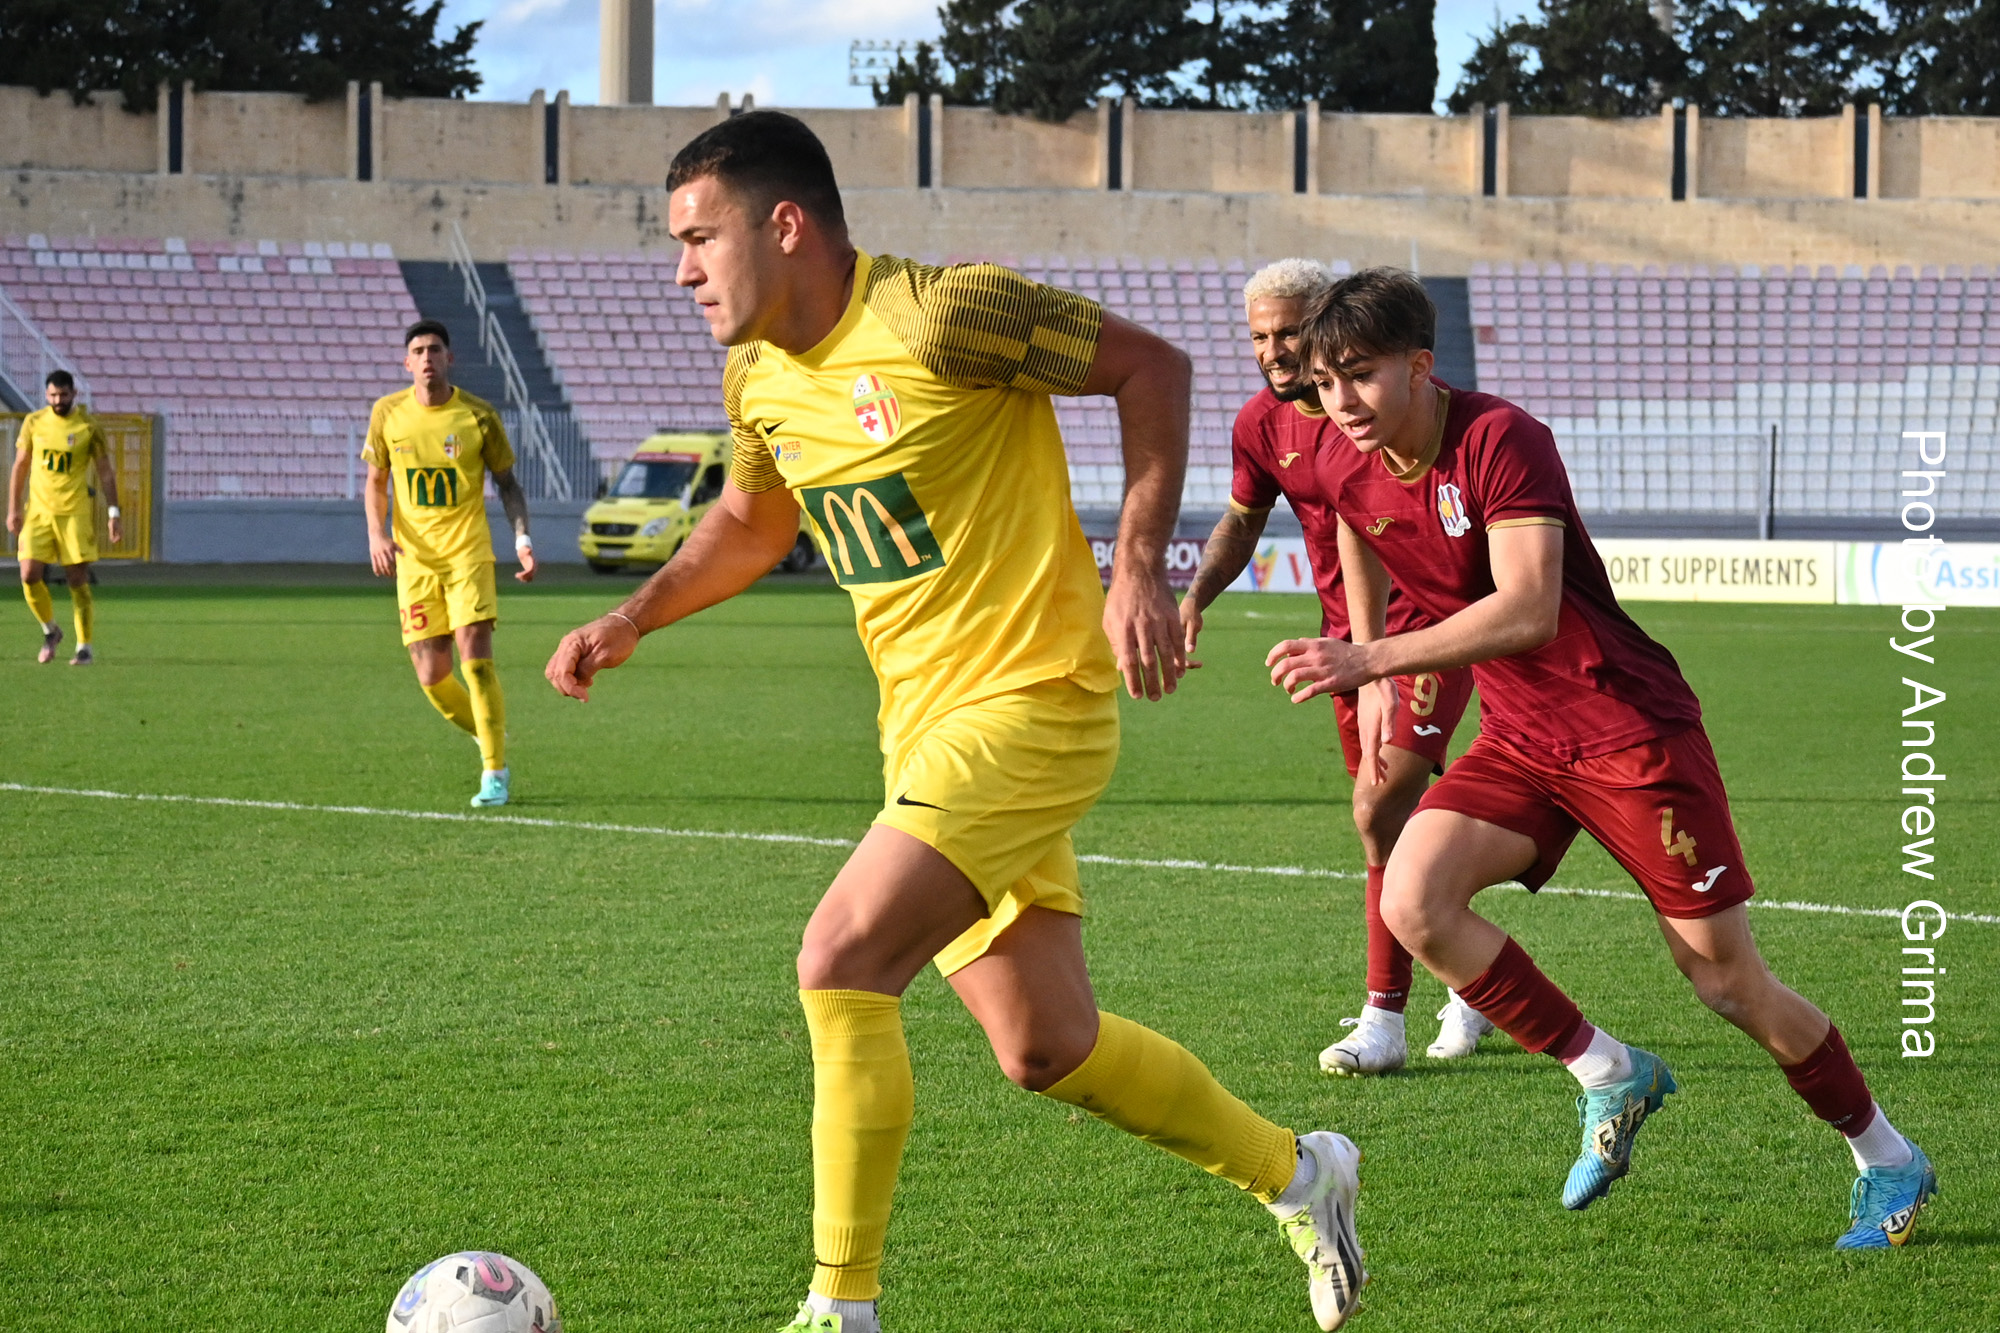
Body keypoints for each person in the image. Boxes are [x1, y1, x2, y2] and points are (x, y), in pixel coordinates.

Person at [544, 112, 1367, 1332]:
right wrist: (631, 619)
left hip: (1034, 705)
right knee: (1045, 1047)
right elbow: (749, 525)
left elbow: (1153, 367)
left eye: (698, 237)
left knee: (838, 960)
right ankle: (1303, 1173)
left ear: (786, 224)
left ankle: (839, 1307)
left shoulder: (945, 315)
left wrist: (1136, 564)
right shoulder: (758, 376)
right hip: (922, 738)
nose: (682, 270)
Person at [1268, 267, 1934, 1247]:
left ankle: (1887, 1158)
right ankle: (1607, 1072)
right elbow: (1354, 522)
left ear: (1418, 365)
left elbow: (1528, 605)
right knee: (1412, 899)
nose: (1340, 404)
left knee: (1724, 982)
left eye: (1359, 376)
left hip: (1626, 728)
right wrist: (1371, 669)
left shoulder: (1498, 438)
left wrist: (1369, 656)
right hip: (1521, 736)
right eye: (1324, 383)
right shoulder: (1342, 455)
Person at [1181, 259, 1486, 1076]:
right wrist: (1194, 594)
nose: (1275, 351)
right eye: (1260, 337)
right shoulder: (1263, 424)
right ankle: (1471, 979)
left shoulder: (1388, 411)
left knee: (1378, 807)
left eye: (1288, 332)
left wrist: (1384, 661)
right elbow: (1246, 521)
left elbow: (1393, 518)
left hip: (1425, 627)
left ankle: (1383, 1017)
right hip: (1346, 644)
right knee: (1405, 813)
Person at [362, 320, 537, 808]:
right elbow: (376, 483)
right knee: (432, 677)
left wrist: (521, 537)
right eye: (417, 351)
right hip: (415, 561)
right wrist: (376, 534)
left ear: (449, 359)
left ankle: (495, 773)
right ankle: (487, 734)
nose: (425, 358)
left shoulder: (478, 416)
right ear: (406, 363)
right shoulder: (387, 413)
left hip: (468, 554)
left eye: (434, 349)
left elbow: (508, 484)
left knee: (475, 659)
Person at [8, 370, 118, 665]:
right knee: (29, 575)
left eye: (64, 395)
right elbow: (20, 467)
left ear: (73, 395)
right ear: (46, 395)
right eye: (53, 395)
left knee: (76, 580)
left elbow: (105, 472)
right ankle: (50, 631)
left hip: (74, 515)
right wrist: (13, 509)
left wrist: (113, 511)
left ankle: (84, 647)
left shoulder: (88, 426)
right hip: (38, 513)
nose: (58, 400)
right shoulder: (34, 423)